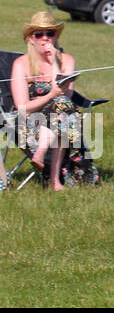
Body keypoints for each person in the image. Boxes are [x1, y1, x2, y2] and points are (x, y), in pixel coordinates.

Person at [8, 12, 80, 190]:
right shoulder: (21, 64)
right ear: (30, 39)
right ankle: (55, 180)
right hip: (28, 119)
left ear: (56, 37)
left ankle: (47, 157)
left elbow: (67, 96)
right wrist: (49, 96)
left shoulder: (67, 61)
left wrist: (54, 61)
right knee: (62, 112)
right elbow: (22, 107)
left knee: (62, 107)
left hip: (61, 117)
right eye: (38, 34)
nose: (44, 38)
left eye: (50, 33)